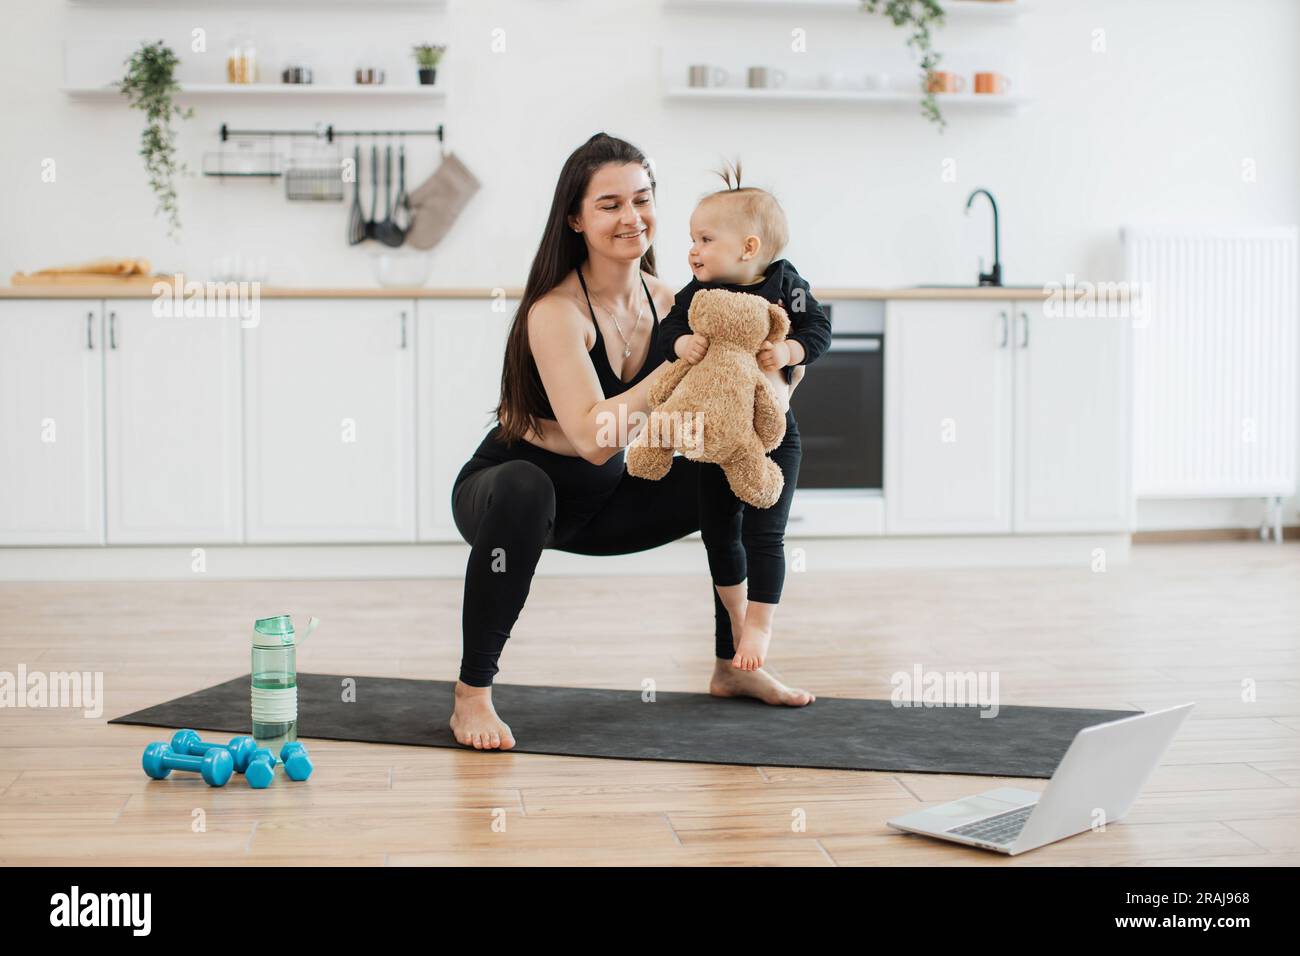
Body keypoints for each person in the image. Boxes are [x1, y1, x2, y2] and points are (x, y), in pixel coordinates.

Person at [448, 133, 816, 750]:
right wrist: (670, 374)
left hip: (609, 501)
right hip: (513, 498)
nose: (631, 217)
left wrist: (774, 378)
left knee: (729, 451)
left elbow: (740, 380)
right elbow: (594, 439)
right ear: (576, 218)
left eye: (641, 200)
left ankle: (734, 664)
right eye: (609, 204)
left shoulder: (672, 301)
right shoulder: (557, 310)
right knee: (525, 485)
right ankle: (471, 697)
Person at [657, 160, 832, 672]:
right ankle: (735, 616)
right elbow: (670, 327)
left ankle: (760, 622)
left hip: (772, 435)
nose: (693, 250)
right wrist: (683, 341)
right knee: (717, 531)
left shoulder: (786, 283)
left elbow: (819, 328)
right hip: (715, 437)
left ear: (748, 248)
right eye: (692, 238)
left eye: (705, 238)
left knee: (765, 533)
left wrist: (791, 352)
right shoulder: (699, 294)